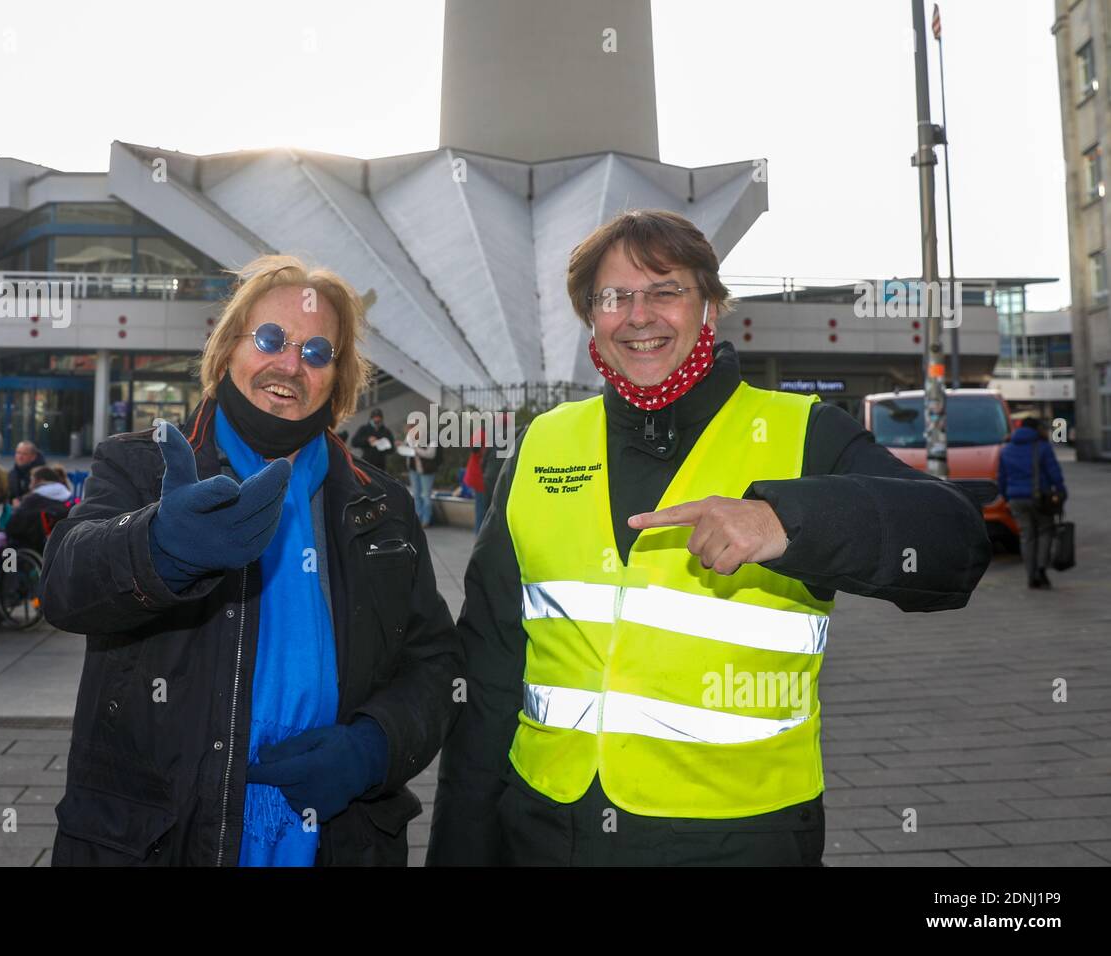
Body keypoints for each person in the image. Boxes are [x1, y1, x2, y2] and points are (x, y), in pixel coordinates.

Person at [427, 209, 992, 867]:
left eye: (666, 290)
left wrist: (791, 520)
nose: (639, 315)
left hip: (738, 840)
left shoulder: (801, 432)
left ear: (712, 308)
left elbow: (956, 544)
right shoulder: (541, 444)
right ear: (591, 317)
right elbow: (490, 672)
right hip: (548, 834)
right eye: (613, 298)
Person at [41, 254, 460, 867]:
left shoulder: (382, 505)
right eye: (271, 339)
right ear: (228, 348)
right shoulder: (141, 467)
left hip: (338, 843)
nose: (290, 364)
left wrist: (374, 748)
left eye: (318, 352)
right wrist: (157, 545)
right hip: (156, 840)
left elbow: (435, 663)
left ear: (337, 378)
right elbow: (63, 586)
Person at [998, 416, 1067, 590]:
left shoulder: (1006, 450)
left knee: (1027, 536)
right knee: (1045, 531)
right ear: (1036, 429)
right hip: (1040, 498)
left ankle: (1030, 575)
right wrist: (1061, 491)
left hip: (1016, 499)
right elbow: (1054, 473)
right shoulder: (1042, 447)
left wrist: (1006, 497)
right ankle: (1041, 569)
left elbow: (1002, 478)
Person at [5, 466, 73, 555]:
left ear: (39, 481)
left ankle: (8, 568)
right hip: (62, 541)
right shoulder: (69, 496)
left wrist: (17, 508)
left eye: (31, 479)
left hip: (36, 542)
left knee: (6, 541)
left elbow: (12, 526)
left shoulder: (34, 498)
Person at [402, 416, 439, 527]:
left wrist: (415, 449)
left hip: (426, 470)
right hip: (414, 469)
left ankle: (426, 520)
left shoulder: (431, 436)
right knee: (416, 495)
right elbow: (406, 448)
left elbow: (431, 454)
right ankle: (418, 519)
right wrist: (401, 446)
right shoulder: (409, 437)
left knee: (426, 496)